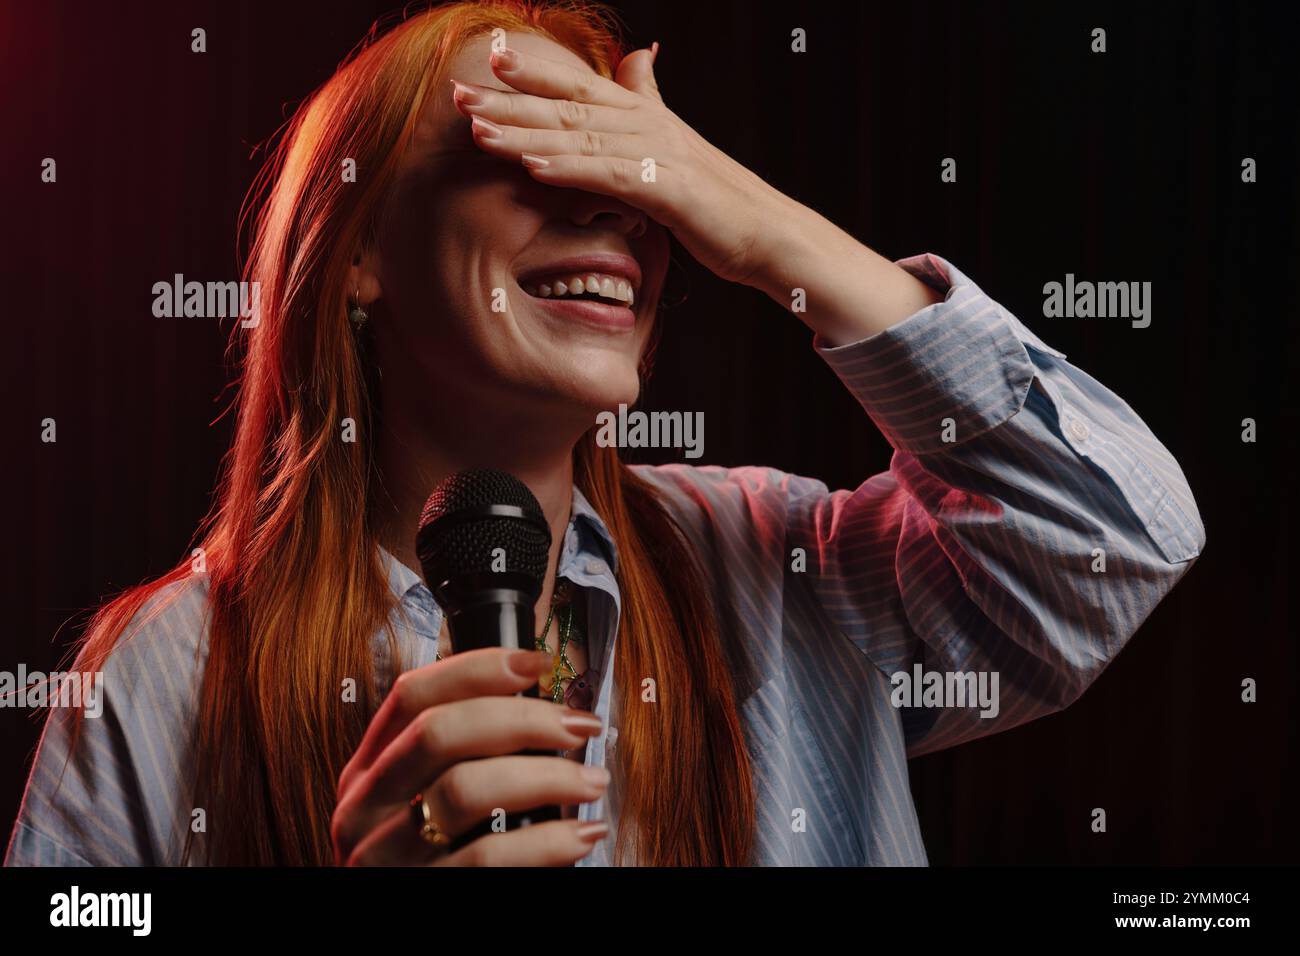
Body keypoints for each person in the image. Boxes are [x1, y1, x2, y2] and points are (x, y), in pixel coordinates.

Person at [5, 0, 1203, 868]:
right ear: (360, 253)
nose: (603, 203)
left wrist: (762, 227)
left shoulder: (777, 565)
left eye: (633, 174)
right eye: (522, 146)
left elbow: (1116, 532)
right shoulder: (165, 670)